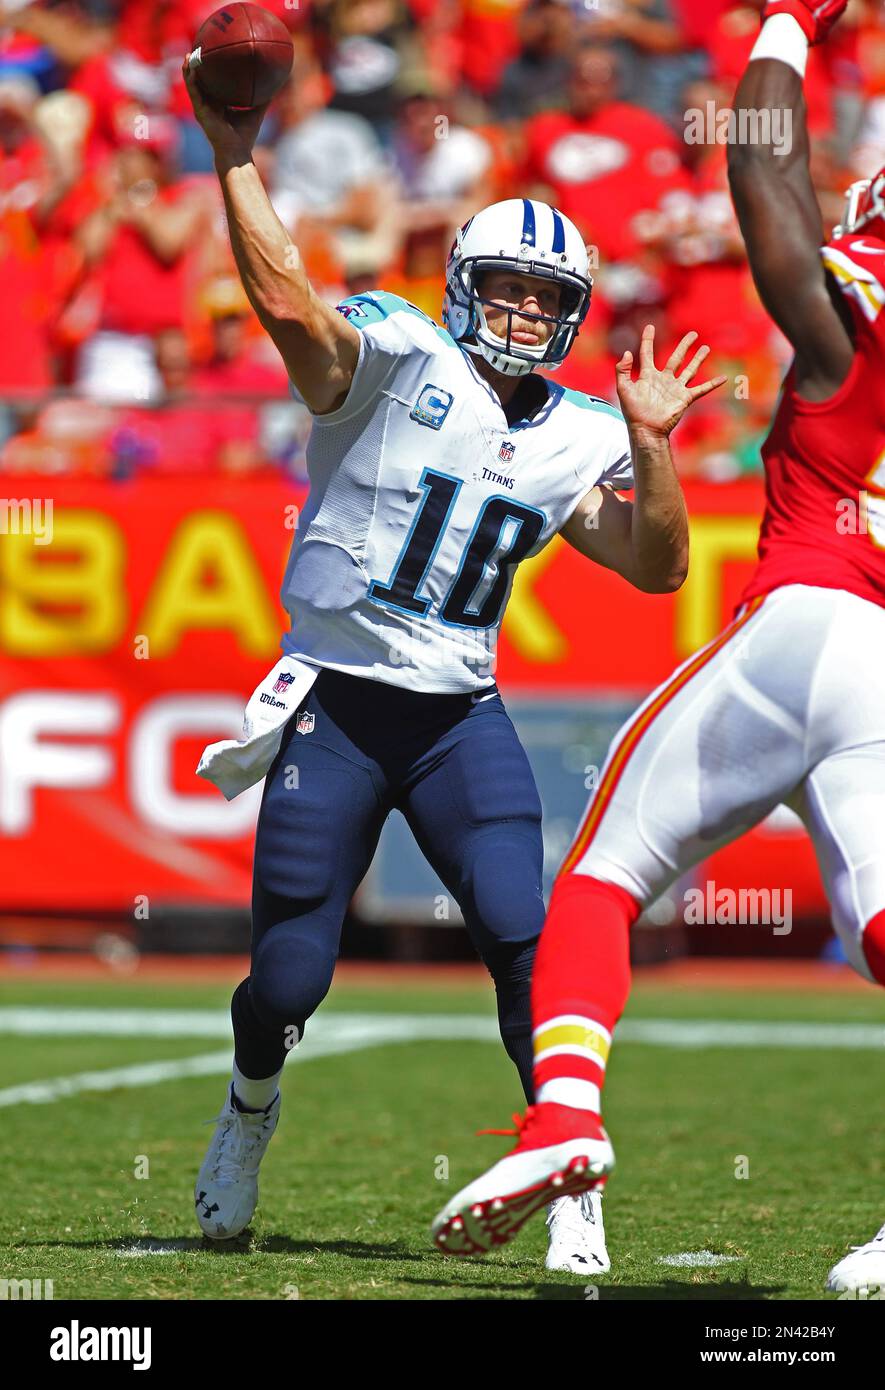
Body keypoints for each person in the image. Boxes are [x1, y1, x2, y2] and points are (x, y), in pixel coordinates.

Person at [181, 54, 722, 1273]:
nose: (527, 314)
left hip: (457, 717)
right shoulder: (396, 349)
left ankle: (567, 1163)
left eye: (548, 298)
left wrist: (653, 445)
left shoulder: (581, 428)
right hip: (340, 699)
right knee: (290, 973)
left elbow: (655, 567)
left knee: (525, 929)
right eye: (509, 290)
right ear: (463, 284)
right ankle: (249, 1109)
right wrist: (232, 157)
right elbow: (294, 318)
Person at [431, 0, 885, 1298]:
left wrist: (787, 30)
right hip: (884, 667)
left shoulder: (856, 308)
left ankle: (564, 1117)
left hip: (807, 616)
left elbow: (762, 176)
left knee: (603, 874)